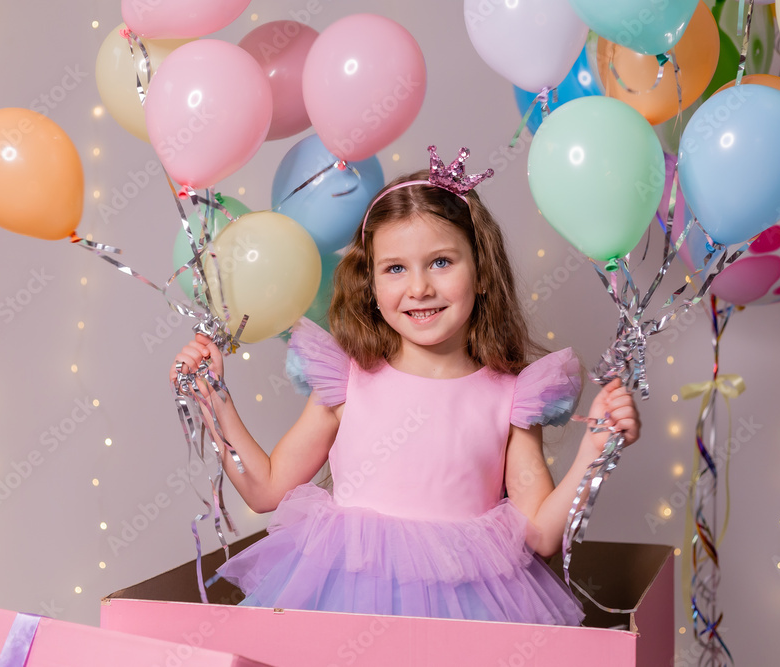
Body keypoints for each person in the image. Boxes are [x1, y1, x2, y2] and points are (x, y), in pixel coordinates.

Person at [172, 146, 640, 626]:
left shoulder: (511, 397)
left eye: (441, 262)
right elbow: (266, 490)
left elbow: (540, 533)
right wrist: (213, 399)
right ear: (371, 286)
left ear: (481, 273)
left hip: (466, 613)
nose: (418, 288)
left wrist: (593, 450)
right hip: (345, 603)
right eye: (395, 268)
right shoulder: (347, 379)